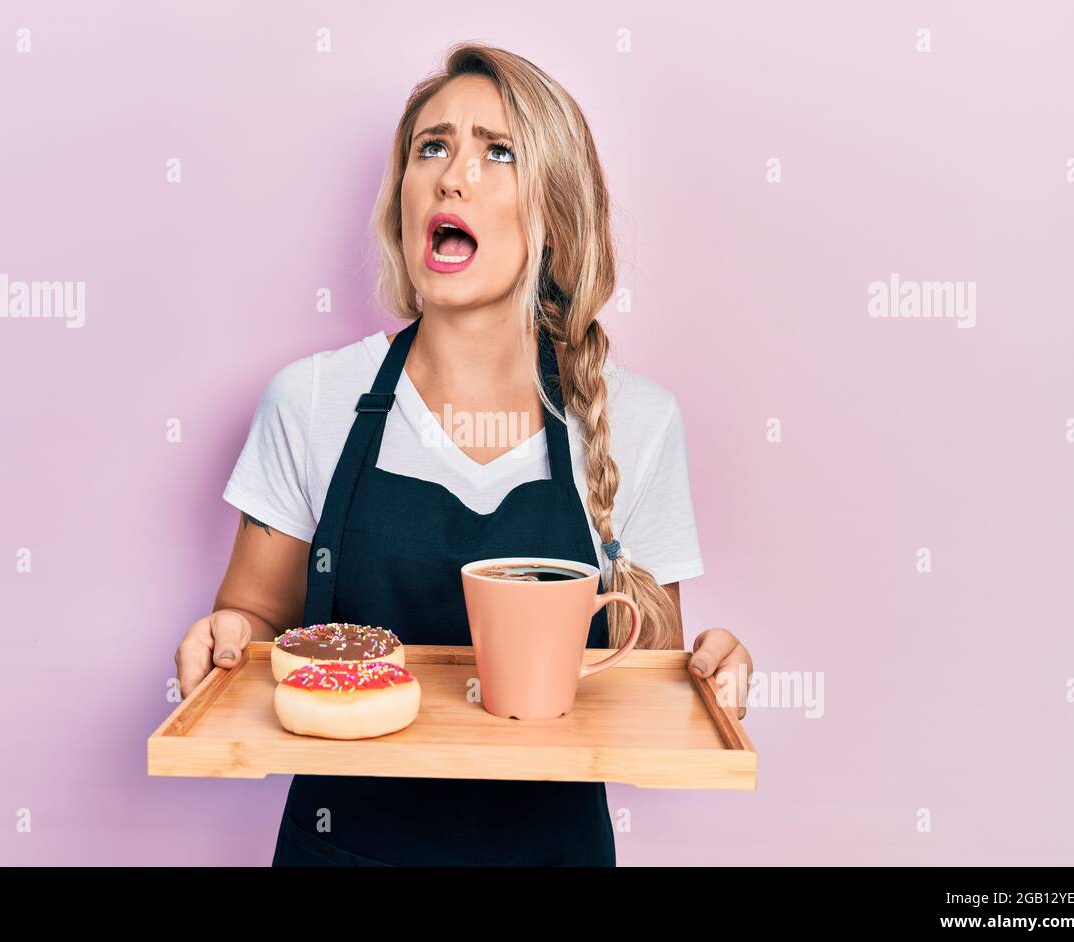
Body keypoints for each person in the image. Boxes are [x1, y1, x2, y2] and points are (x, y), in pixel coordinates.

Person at [174, 42, 753, 867]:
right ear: (403, 198)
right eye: (432, 147)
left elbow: (644, 674)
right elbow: (258, 625)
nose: (452, 177)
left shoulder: (637, 418)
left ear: (554, 210)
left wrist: (709, 672)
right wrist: (226, 635)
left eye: (498, 151)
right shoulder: (309, 401)